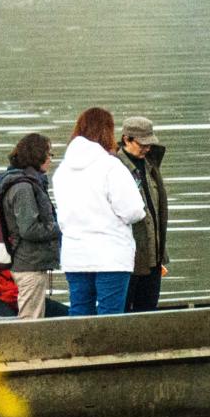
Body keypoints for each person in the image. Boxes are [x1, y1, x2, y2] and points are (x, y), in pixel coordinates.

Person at [53, 107, 149, 316]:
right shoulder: (111, 167)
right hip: (111, 255)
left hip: (75, 255)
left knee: (79, 310)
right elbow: (133, 211)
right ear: (107, 131)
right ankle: (109, 349)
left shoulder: (62, 171)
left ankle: (78, 348)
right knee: (110, 315)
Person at [0, 132, 65, 320]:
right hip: (29, 264)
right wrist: (61, 227)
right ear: (37, 156)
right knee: (30, 319)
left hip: (29, 262)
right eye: (49, 154)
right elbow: (29, 229)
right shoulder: (24, 188)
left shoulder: (25, 183)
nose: (51, 159)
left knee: (33, 315)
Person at [117, 115, 170, 312]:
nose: (147, 149)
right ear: (126, 139)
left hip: (154, 253)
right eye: (142, 144)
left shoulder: (150, 164)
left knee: (149, 307)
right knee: (125, 307)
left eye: (150, 144)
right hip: (129, 256)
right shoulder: (114, 167)